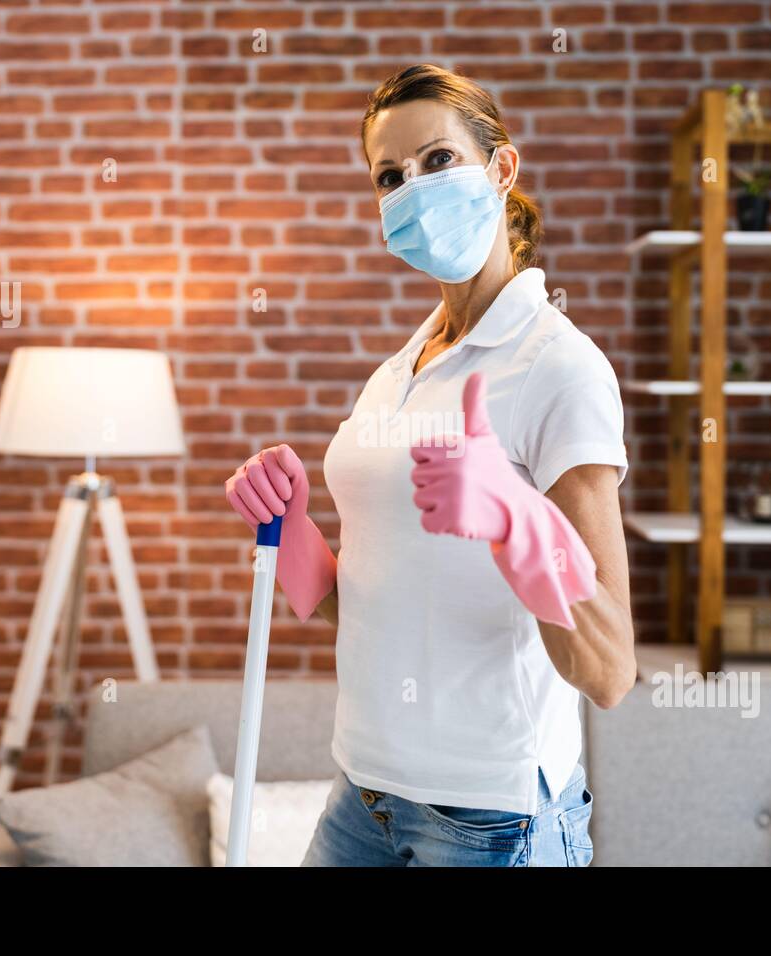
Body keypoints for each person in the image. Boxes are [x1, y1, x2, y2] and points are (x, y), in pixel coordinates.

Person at [225, 64, 636, 867]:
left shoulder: (559, 367)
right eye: (390, 176)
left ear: (502, 168)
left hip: (490, 823)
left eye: (437, 161)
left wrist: (515, 521)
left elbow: (611, 669)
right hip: (365, 796)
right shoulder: (400, 370)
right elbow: (369, 603)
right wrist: (288, 524)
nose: (412, 189)